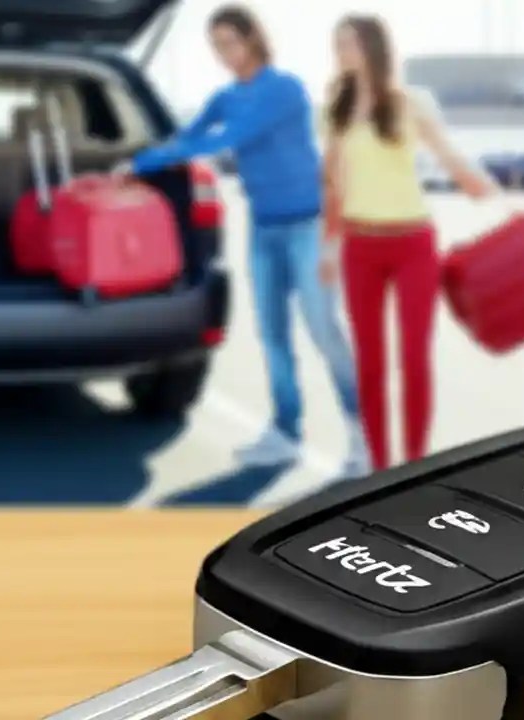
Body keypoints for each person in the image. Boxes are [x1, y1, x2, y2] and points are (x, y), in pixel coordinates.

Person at [118, 4, 368, 477]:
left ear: (253, 38)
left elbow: (226, 139)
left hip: (306, 225)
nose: (223, 54)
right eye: (215, 46)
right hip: (264, 227)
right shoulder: (224, 96)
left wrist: (144, 164)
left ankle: (363, 435)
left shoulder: (285, 90)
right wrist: (139, 159)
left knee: (323, 333)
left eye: (230, 42)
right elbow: (186, 137)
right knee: (273, 337)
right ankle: (285, 434)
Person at [320, 14, 497, 471]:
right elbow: (332, 184)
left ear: (374, 48)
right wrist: (328, 246)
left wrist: (475, 181)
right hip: (361, 247)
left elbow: (444, 150)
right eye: (337, 45)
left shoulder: (411, 102)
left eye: (350, 44)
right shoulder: (335, 110)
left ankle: (415, 463)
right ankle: (381, 466)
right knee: (371, 365)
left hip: (413, 243)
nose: (342, 54)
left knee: (414, 359)